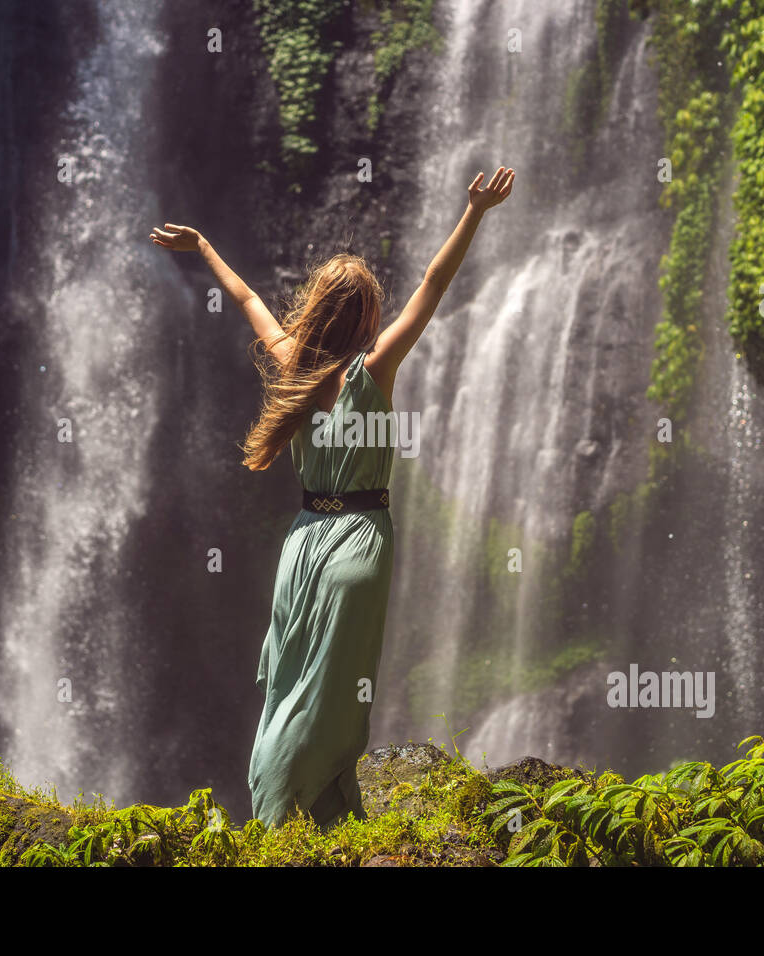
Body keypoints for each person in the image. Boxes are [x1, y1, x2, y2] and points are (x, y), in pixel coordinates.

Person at [152, 165, 515, 829]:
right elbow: (433, 287)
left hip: (303, 543)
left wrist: (202, 248)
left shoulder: (292, 363)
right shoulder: (374, 369)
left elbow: (247, 300)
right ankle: (302, 807)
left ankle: (299, 812)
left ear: (316, 309)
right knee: (337, 692)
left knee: (291, 684)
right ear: (368, 315)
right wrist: (475, 213)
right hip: (359, 544)